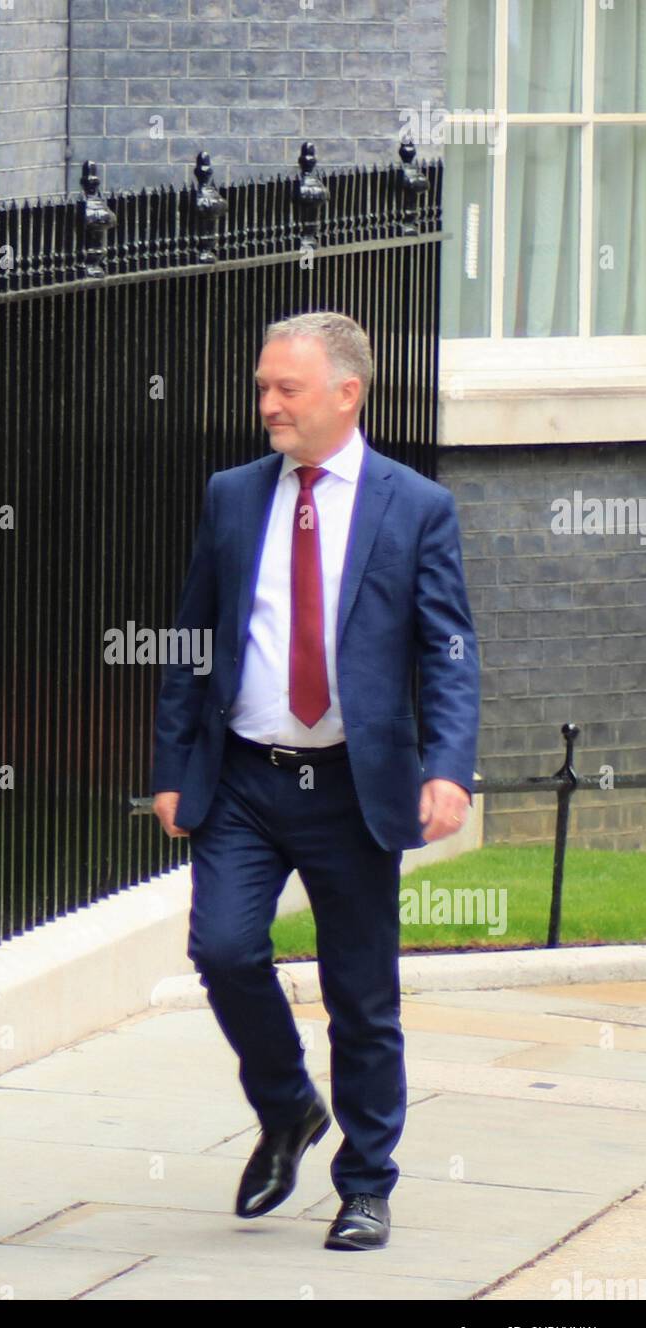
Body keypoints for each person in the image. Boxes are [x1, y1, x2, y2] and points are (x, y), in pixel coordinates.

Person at [151, 311, 480, 1250]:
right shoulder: (230, 495)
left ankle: (366, 1183)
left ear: (347, 392)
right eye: (262, 387)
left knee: (361, 997)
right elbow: (192, 641)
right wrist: (174, 767)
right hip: (246, 778)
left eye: (283, 389)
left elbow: (448, 651)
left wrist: (447, 768)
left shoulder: (413, 505)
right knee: (221, 950)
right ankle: (288, 1105)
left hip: (352, 788)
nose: (266, 405)